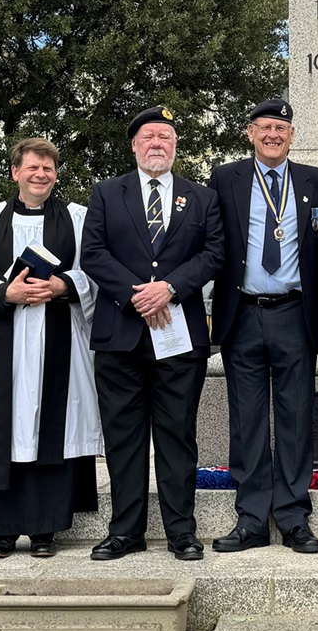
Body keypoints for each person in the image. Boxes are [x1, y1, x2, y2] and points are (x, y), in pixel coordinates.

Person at [0, 137, 101, 559]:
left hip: (59, 338)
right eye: (32, 167)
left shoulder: (78, 218)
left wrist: (63, 284)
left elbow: (96, 271)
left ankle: (46, 529)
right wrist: (4, 292)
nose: (40, 175)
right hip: (3, 340)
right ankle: (1, 532)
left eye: (48, 169)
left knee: (51, 425)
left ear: (55, 174)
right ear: (15, 172)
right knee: (3, 426)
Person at [80, 106, 224, 563]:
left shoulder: (201, 197)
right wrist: (135, 294)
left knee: (177, 435)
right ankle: (125, 531)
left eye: (165, 135)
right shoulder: (106, 193)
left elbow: (214, 253)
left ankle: (182, 531)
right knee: (124, 438)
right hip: (120, 335)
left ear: (175, 145)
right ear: (134, 145)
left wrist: (171, 288)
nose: (157, 143)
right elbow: (93, 253)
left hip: (179, 336)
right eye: (148, 136)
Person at [208, 99, 318, 553]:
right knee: (246, 422)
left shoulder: (316, 182)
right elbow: (214, 244)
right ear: (250, 133)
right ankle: (251, 520)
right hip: (242, 312)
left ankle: (294, 516)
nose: (273, 135)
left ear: (291, 135)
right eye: (265, 127)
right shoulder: (225, 178)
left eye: (281, 128)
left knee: (296, 417)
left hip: (293, 311)